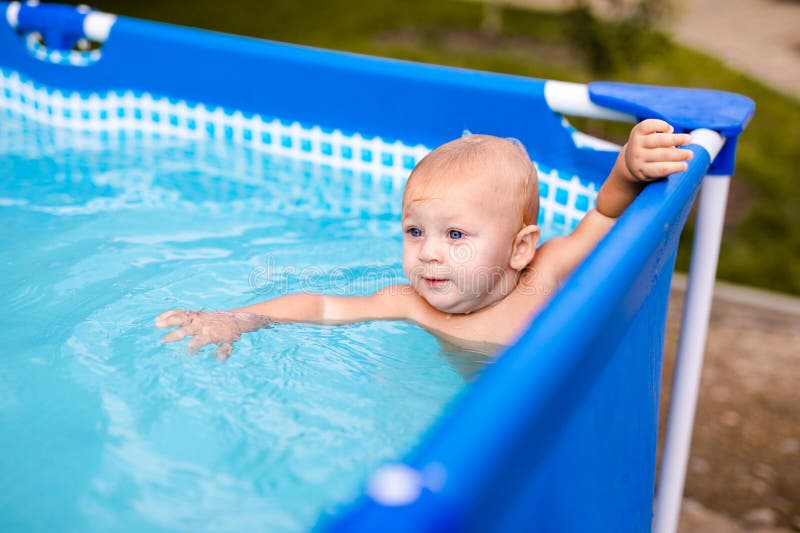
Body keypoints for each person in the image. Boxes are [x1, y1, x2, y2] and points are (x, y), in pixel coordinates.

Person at [156, 119, 692, 360]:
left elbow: (601, 217)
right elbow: (320, 307)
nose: (428, 252)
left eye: (456, 234)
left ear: (520, 248)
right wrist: (239, 318)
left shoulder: (542, 274)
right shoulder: (412, 303)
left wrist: (627, 168)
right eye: (415, 232)